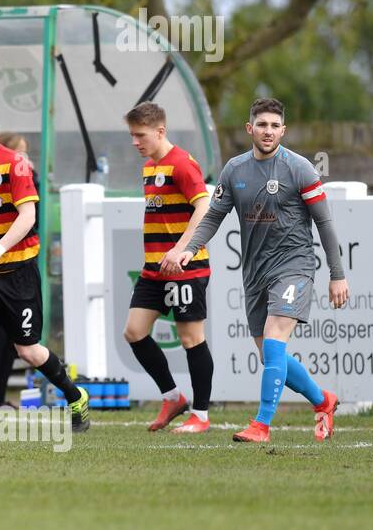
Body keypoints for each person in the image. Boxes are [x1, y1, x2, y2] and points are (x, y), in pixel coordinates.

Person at [163, 97, 348, 443]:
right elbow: (213, 215)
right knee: (269, 356)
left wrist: (337, 274)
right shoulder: (234, 170)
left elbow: (324, 223)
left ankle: (261, 425)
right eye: (262, 125)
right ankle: (324, 401)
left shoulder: (301, 169)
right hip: (254, 272)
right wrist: (189, 248)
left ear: (284, 130)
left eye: (275, 126)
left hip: (294, 266)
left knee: (276, 342)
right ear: (250, 128)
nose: (268, 131)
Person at [0, 101, 90, 432]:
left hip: (18, 273)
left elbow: (27, 216)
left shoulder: (15, 164)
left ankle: (76, 397)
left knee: (28, 351)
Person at [122, 103, 216, 433]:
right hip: (155, 268)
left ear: (160, 131)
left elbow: (204, 207)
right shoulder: (150, 166)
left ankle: (201, 415)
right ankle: (173, 397)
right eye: (132, 135)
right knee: (134, 331)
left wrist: (181, 249)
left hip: (186, 267)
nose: (135, 141)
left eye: (140, 135)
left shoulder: (182, 164)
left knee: (191, 338)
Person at [0, 131, 36, 408]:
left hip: (9, 261)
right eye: (21, 152)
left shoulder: (21, 173)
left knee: (8, 337)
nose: (25, 158)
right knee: (0, 334)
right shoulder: (8, 171)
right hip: (7, 264)